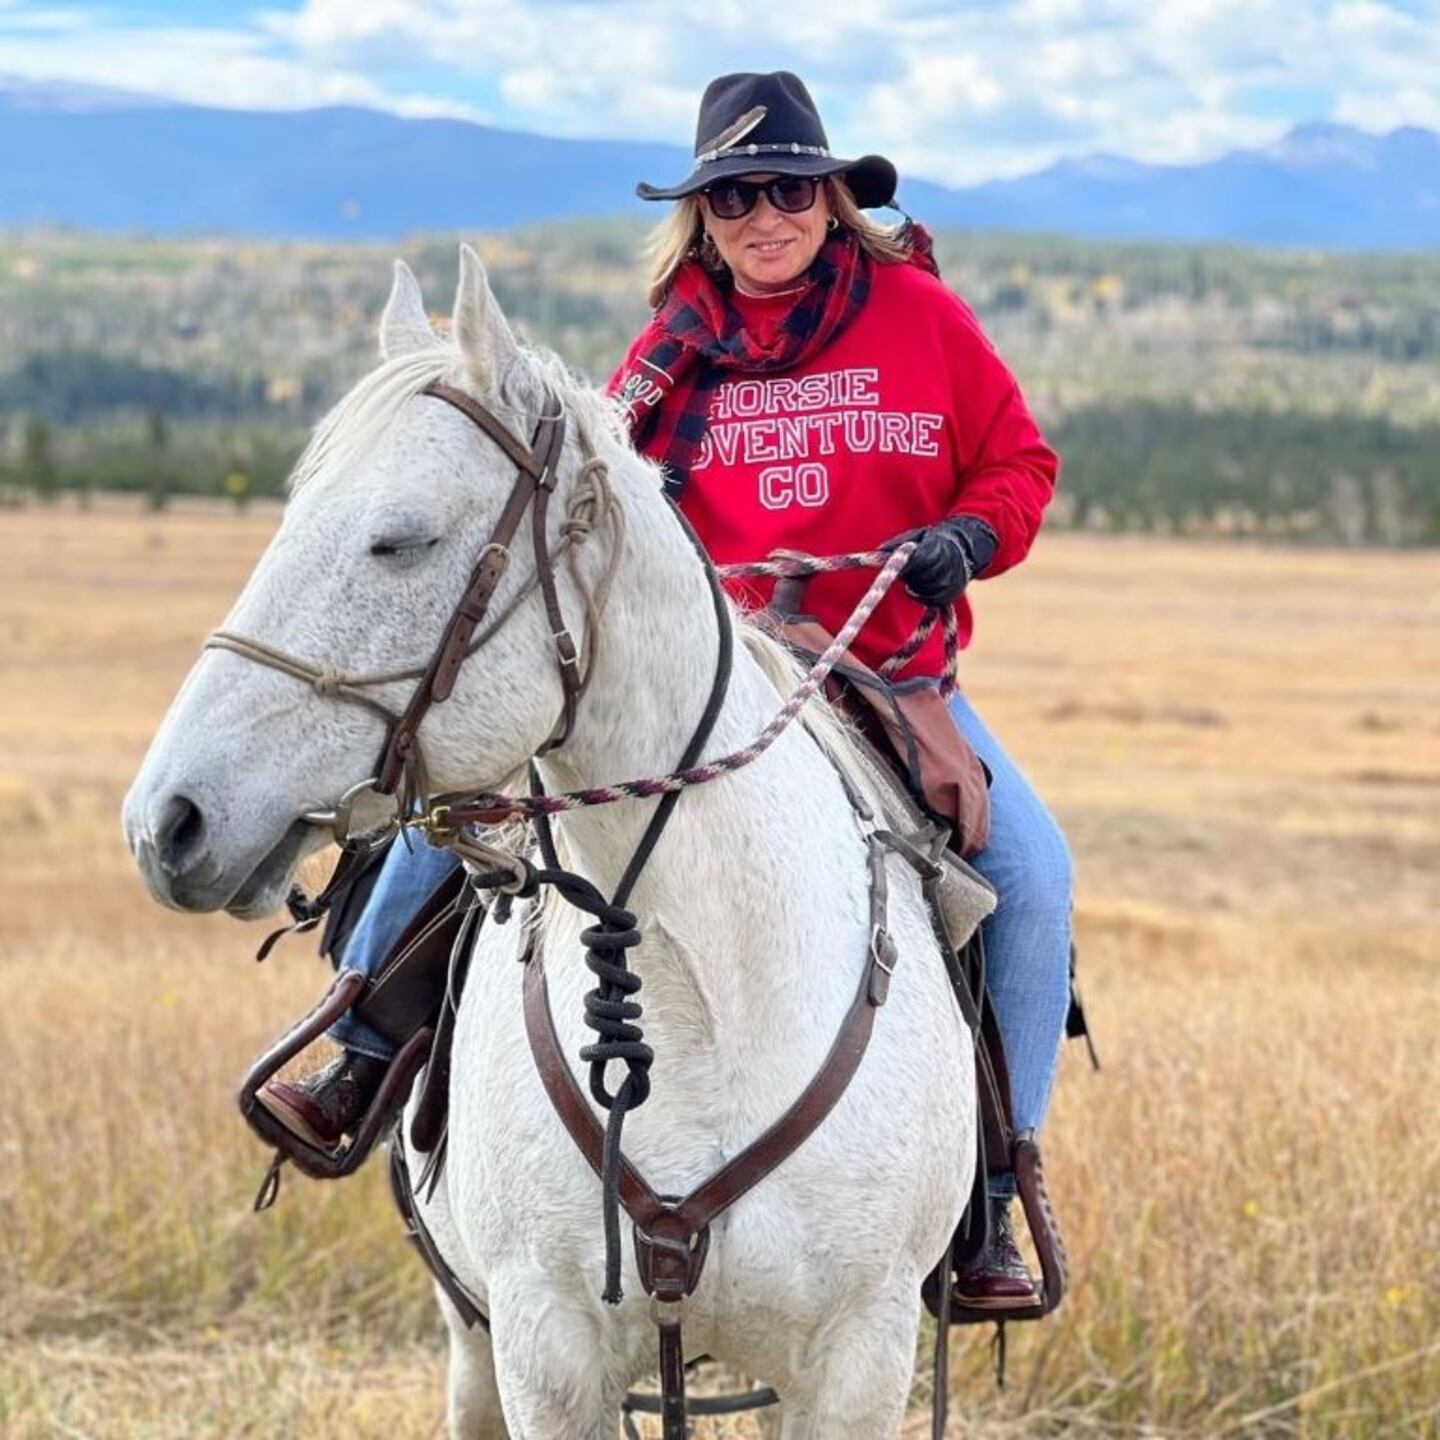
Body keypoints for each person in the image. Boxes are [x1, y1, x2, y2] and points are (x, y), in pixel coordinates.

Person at [259, 70, 1072, 1310]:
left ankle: (994, 1197)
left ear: (831, 198)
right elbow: (598, 513)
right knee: (473, 784)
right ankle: (360, 1048)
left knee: (1032, 870)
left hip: (884, 670)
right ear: (703, 214)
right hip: (708, 672)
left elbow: (1018, 462)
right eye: (735, 194)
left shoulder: (922, 320)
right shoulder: (667, 351)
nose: (765, 215)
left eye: (788, 189)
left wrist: (970, 535)